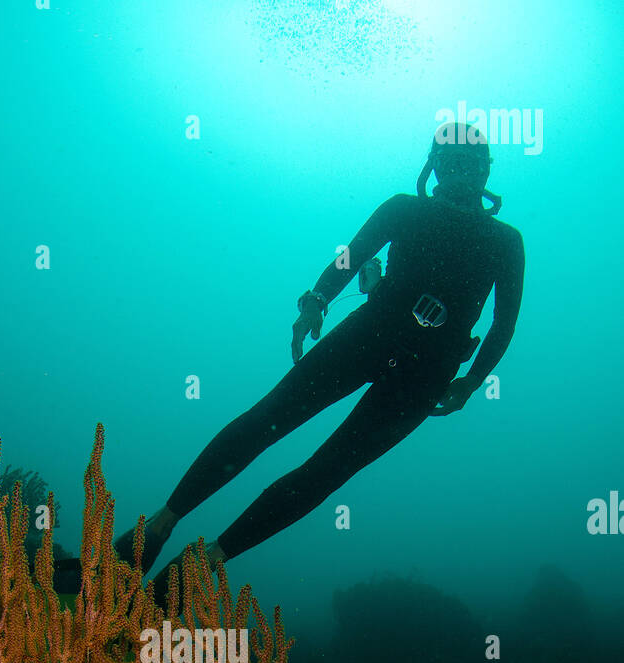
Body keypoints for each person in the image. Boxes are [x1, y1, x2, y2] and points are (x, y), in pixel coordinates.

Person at [62, 122, 524, 600]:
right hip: (371, 338)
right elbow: (351, 259)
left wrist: (472, 381)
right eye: (452, 162)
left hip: (422, 376)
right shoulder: (406, 210)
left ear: (486, 171)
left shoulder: (505, 242)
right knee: (271, 419)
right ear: (435, 167)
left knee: (326, 470)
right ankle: (155, 531)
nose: (461, 173)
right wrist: (315, 301)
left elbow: (503, 325)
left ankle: (201, 564)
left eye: (471, 164)